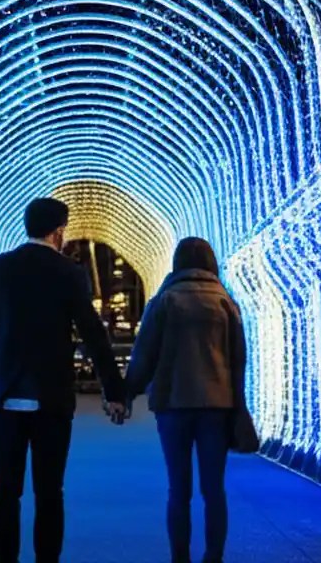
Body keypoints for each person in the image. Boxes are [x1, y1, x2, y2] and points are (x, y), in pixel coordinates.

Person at [0, 197, 129, 563]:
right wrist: (113, 391)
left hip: (3, 396)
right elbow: (93, 335)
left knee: (5, 491)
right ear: (58, 232)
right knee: (49, 492)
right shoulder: (69, 273)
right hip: (51, 398)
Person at [125, 237, 246, 563]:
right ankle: (214, 557)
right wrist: (238, 404)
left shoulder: (165, 301)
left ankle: (180, 557)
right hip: (217, 407)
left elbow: (144, 355)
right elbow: (238, 360)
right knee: (214, 489)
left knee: (179, 490)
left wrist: (125, 394)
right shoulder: (226, 302)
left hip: (173, 405)